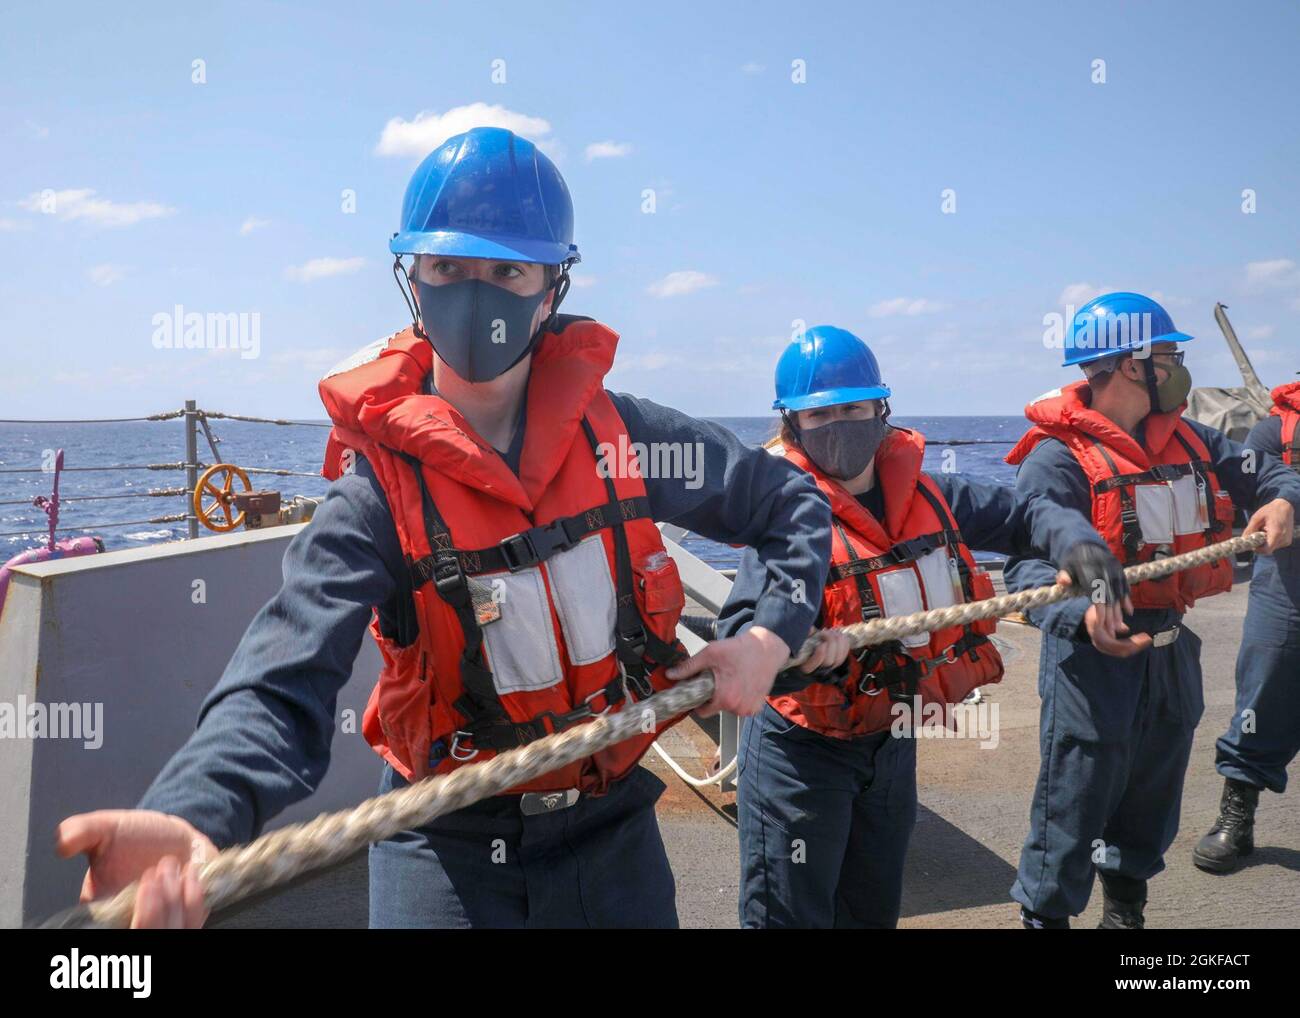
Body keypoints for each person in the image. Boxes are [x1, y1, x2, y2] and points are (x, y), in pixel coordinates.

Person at [54, 127, 839, 929]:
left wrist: (766, 635)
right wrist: (196, 815)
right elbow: (283, 673)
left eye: (507, 270)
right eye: (449, 268)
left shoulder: (631, 442)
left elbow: (792, 506)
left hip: (613, 837)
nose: (477, 293)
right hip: (445, 847)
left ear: (551, 288)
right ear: (412, 280)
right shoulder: (374, 499)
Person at [715, 325, 1128, 929]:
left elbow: (1027, 516)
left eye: (853, 408)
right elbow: (744, 627)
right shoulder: (782, 519)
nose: (838, 426)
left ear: (882, 410)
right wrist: (799, 654)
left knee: (873, 905)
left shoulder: (933, 495)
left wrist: (1078, 545)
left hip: (891, 741)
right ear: (791, 426)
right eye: (818, 414)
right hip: (800, 754)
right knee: (789, 911)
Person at [1004, 292, 1299, 928]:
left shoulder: (1194, 440)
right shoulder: (1058, 459)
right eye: (1169, 353)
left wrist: (1283, 500)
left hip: (1170, 652)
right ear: (1132, 365)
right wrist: (1077, 614)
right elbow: (1023, 570)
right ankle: (1046, 919)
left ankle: (1124, 917)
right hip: (1090, 662)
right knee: (1072, 807)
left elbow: (1270, 473)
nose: (1179, 366)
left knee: (1151, 799)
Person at [1194, 374, 1300, 872]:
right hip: (1287, 584)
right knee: (1263, 687)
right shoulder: (1273, 432)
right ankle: (1237, 816)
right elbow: (1257, 495)